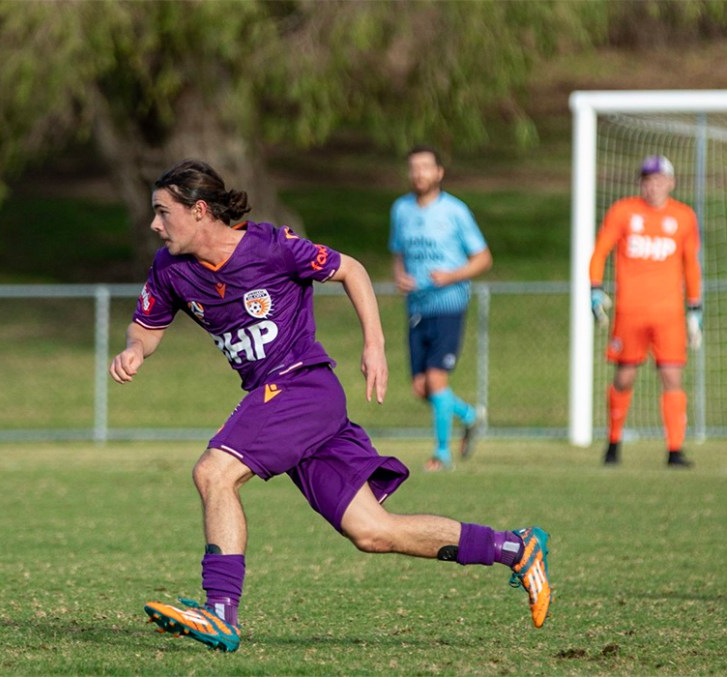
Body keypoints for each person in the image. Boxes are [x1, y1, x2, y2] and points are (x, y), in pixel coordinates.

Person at [109, 159, 551, 652]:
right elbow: (145, 328)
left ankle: (219, 614)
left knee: (214, 473)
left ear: (199, 211)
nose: (154, 224)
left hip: (301, 386)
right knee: (373, 531)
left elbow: (352, 270)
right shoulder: (169, 269)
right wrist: (133, 349)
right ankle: (515, 547)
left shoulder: (271, 247)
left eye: (162, 212)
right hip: (288, 403)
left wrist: (374, 344)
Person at [589, 154, 701, 468]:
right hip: (630, 312)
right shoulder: (624, 212)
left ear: (671, 182)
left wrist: (695, 308)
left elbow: (691, 264)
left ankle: (674, 450)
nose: (653, 186)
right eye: (647, 180)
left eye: (659, 180)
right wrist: (595, 290)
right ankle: (613, 444)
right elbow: (600, 251)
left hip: (669, 314)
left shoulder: (684, 216)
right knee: (623, 378)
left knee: (672, 376)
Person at [389, 145, 492, 471]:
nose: (419, 173)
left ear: (439, 173)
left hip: (449, 305)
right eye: (414, 168)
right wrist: (400, 276)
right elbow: (397, 252)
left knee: (436, 380)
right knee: (422, 388)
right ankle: (469, 415)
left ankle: (442, 455)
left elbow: (483, 259)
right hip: (416, 307)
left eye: (426, 167)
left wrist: (451, 276)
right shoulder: (401, 210)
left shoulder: (455, 212)